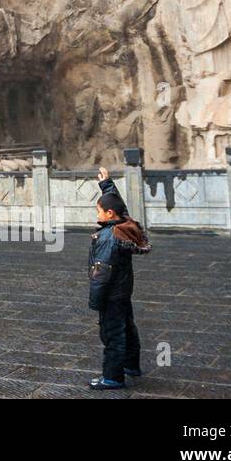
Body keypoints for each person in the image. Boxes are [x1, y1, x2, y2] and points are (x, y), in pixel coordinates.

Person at [88, 167, 152, 390]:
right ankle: (131, 366)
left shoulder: (108, 237)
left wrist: (95, 301)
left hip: (111, 293)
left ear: (108, 215)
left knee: (112, 334)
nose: (97, 214)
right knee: (127, 327)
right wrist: (107, 185)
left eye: (99, 210)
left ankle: (112, 377)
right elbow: (121, 208)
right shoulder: (125, 226)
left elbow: (101, 273)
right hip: (123, 291)